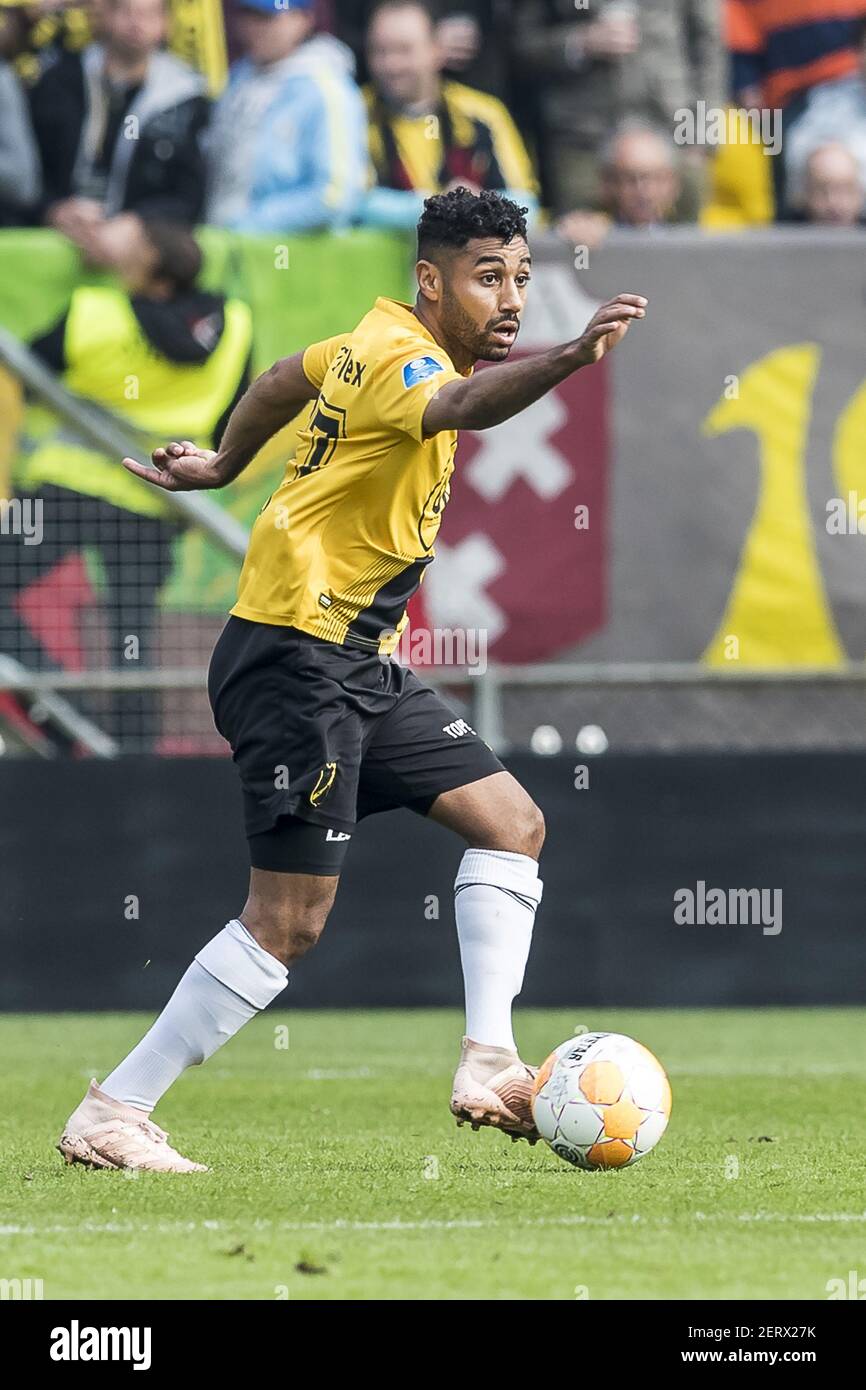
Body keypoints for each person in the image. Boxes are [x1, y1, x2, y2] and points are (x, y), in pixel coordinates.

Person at [55, 186, 647, 1172]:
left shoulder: (370, 337)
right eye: (485, 276)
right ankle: (113, 1109)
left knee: (511, 824)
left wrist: (225, 461)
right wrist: (568, 357)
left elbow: (287, 374)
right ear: (428, 280)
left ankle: (486, 1057)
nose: (507, 296)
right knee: (288, 921)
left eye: (520, 278)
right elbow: (459, 404)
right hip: (297, 657)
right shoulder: (415, 362)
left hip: (354, 659)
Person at [2, 218, 252, 746]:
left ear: (147, 264)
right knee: (133, 639)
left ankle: (66, 711)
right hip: (159, 502)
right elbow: (231, 423)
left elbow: (19, 373)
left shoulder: (95, 313)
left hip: (69, 492)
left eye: (132, 241)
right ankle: (133, 760)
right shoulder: (234, 325)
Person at [27, 0, 208, 253]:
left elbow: (190, 195)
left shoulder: (185, 98)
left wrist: (137, 223)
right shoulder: (60, 81)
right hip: (52, 240)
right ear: (104, 14)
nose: (137, 23)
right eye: (127, 11)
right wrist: (51, 210)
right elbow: (28, 169)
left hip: (142, 249)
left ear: (166, 23)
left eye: (149, 14)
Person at [359, 0, 538, 230]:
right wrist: (438, 206)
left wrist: (480, 204)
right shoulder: (354, 113)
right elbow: (352, 202)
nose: (391, 65)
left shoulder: (484, 113)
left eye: (404, 50)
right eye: (379, 51)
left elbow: (527, 205)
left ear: (436, 50)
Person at [205, 0, 367, 234]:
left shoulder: (327, 88)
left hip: (292, 259)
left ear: (303, 19)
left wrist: (249, 224)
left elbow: (335, 196)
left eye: (267, 17)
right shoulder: (238, 79)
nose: (254, 27)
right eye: (248, 15)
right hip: (225, 248)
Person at [556, 124, 683, 251]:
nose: (643, 190)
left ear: (673, 183)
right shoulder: (592, 232)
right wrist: (572, 234)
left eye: (655, 177)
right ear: (607, 183)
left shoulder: (693, 235)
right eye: (630, 179)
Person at [796, 143, 865, 225]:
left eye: (844, 189)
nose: (834, 202)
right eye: (822, 190)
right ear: (806, 192)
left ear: (860, 193)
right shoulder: (785, 231)